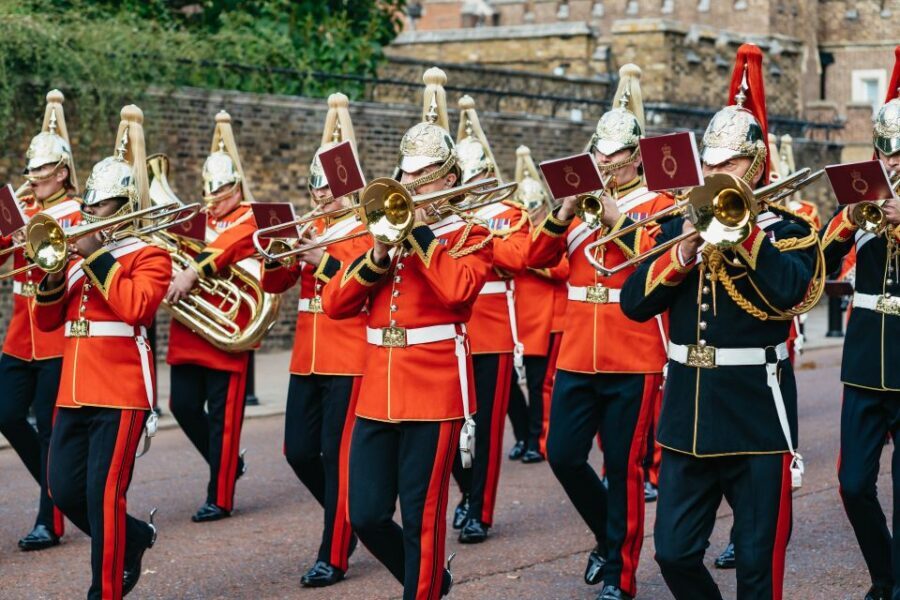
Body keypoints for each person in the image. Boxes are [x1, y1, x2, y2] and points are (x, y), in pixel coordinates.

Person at [620, 43, 821, 600]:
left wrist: (744, 232)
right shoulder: (676, 225)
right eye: (709, 162)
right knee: (674, 553)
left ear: (753, 164)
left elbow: (793, 292)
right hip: (689, 412)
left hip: (757, 412)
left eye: (727, 163)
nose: (714, 172)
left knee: (758, 564)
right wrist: (683, 251)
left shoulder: (790, 227)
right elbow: (634, 304)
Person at [322, 67, 492, 600]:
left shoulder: (471, 232)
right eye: (408, 175)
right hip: (379, 389)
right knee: (366, 514)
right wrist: (377, 252)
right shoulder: (378, 231)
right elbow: (335, 304)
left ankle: (421, 588)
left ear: (451, 179)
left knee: (423, 516)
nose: (413, 186)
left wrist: (418, 232)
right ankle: (431, 582)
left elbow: (458, 293)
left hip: (436, 388)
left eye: (426, 177)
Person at [527, 64, 671, 600]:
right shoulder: (578, 204)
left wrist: (616, 220)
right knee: (562, 453)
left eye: (616, 155)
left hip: (632, 351)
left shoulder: (658, 203)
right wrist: (565, 211)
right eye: (600, 153)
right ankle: (607, 538)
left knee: (623, 467)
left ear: (637, 156)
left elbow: (657, 264)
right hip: (577, 352)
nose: (606, 162)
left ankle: (620, 576)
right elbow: (535, 256)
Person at [35, 104, 169, 599]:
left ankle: (104, 592)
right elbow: (46, 320)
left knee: (104, 497)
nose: (91, 214)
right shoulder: (79, 254)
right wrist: (54, 272)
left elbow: (136, 308)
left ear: (126, 205)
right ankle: (133, 538)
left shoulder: (151, 254)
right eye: (89, 206)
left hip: (121, 391)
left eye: (103, 206)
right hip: (74, 389)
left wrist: (95, 253)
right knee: (63, 489)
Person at [260, 93, 369, 588]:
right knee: (299, 452)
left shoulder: (367, 229)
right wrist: (276, 256)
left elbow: (359, 281)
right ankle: (348, 515)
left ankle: (334, 551)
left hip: (349, 354)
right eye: (316, 186)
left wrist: (318, 257)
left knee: (335, 456)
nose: (321, 195)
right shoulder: (307, 225)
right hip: (307, 356)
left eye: (329, 186)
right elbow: (275, 285)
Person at [824, 45, 900, 600]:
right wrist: (849, 219)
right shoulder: (867, 199)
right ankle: (885, 573)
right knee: (853, 484)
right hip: (866, 361)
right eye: (885, 151)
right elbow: (821, 264)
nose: (892, 162)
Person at [0, 89, 81, 551]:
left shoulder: (77, 213)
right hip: (19, 337)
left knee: (51, 429)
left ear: (62, 173)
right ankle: (57, 487)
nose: (33, 178)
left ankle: (49, 520)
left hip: (56, 337)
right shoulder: (22, 209)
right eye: (31, 170)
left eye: (42, 171)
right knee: (7, 415)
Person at [450, 95, 531, 544]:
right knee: (447, 428)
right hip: (448, 332)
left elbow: (518, 258)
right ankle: (466, 493)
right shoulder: (445, 214)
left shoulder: (509, 213)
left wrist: (477, 233)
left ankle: (480, 510)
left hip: (491, 331)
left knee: (487, 429)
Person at [166, 110, 254, 522]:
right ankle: (227, 464)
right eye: (210, 190)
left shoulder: (251, 216)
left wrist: (193, 270)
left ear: (236, 186)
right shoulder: (195, 219)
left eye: (221, 190)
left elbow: (234, 243)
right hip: (190, 326)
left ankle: (220, 495)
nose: (214, 197)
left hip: (229, 327)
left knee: (224, 419)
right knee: (182, 405)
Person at [505, 145, 567, 466]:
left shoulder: (552, 231)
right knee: (508, 385)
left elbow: (563, 269)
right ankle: (522, 435)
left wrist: (529, 260)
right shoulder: (514, 230)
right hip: (517, 318)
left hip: (546, 318)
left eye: (535, 207)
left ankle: (538, 440)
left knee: (541, 384)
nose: (531, 214)